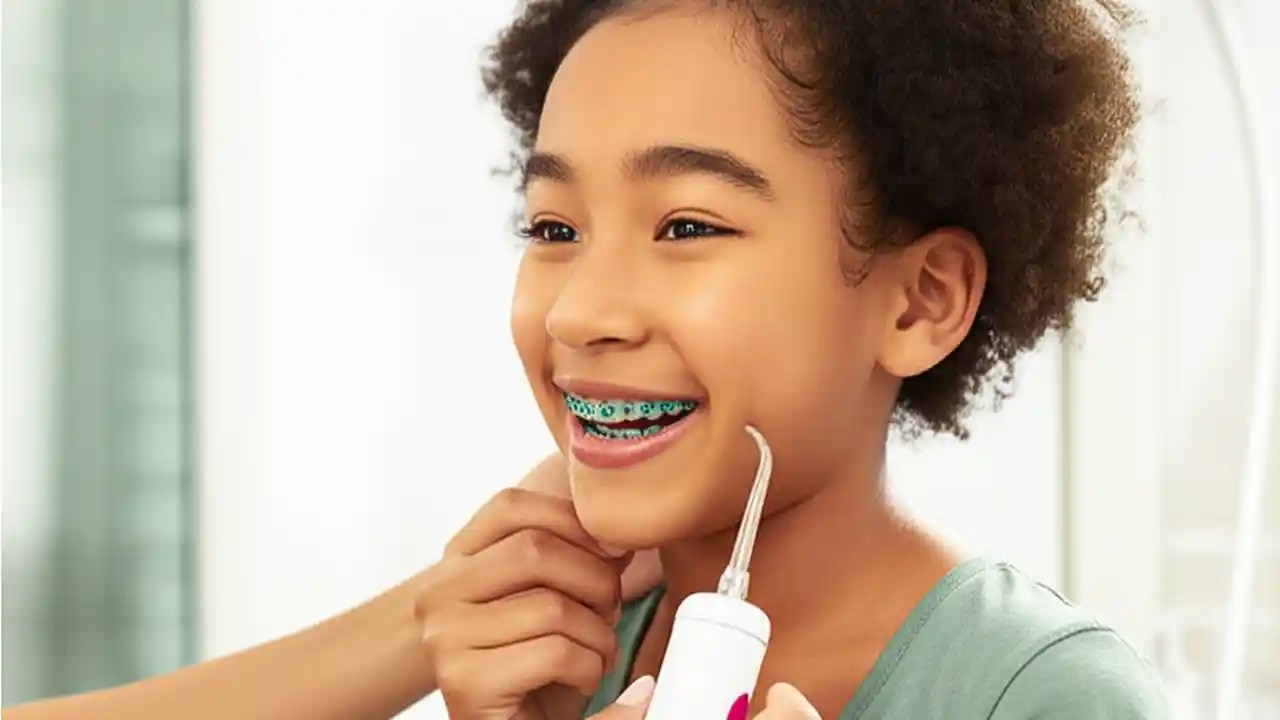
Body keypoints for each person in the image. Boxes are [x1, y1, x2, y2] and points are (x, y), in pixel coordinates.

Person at [9, 0, 1168, 718]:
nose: (577, 314)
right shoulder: (557, 663)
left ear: (918, 300)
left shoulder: (1042, 697)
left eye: (686, 226)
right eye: (553, 230)